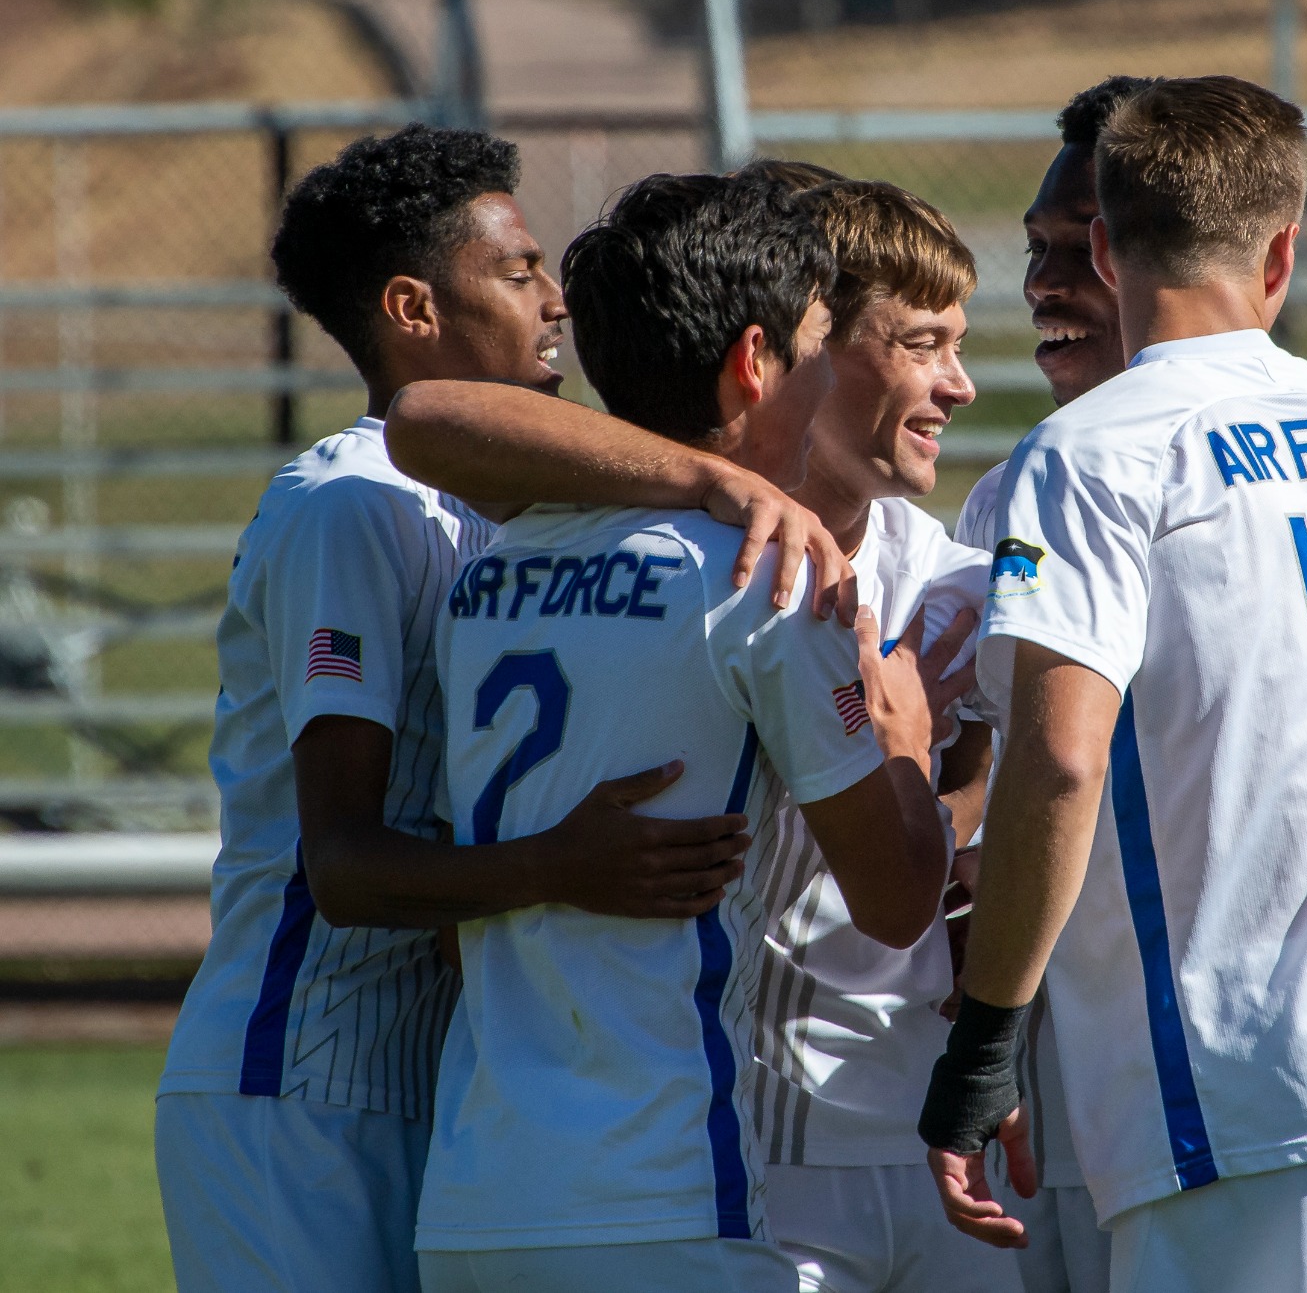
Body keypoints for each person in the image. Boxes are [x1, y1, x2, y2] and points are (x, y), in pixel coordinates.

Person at [155, 126, 843, 1293]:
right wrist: (555, 864)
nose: (555, 300)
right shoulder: (348, 508)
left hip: (440, 1072)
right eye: (517, 271)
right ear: (414, 306)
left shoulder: (506, 502)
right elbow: (344, 864)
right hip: (300, 1073)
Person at [921, 76, 1307, 1293]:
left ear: (1103, 240)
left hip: (1250, 1080)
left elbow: (1061, 756)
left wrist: (984, 1042)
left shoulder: (1092, 448)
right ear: (1282, 249)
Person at [414, 171, 972, 1293]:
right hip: (664, 1191)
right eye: (822, 340)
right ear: (755, 361)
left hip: (473, 1197)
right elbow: (901, 893)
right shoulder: (764, 586)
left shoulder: (490, 572)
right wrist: (902, 740)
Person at [731, 176, 1023, 1293]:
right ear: (808, 345)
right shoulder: (707, 572)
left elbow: (1027, 801)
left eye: (958, 343)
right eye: (919, 344)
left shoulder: (952, 585)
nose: (957, 382)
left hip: (941, 1146)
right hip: (764, 1141)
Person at [953, 73, 1159, 1293]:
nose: (1041, 283)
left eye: (1080, 248)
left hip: (1181, 1072)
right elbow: (992, 789)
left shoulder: (1083, 474)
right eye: (1034, 249)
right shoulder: (1008, 496)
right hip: (1080, 1065)